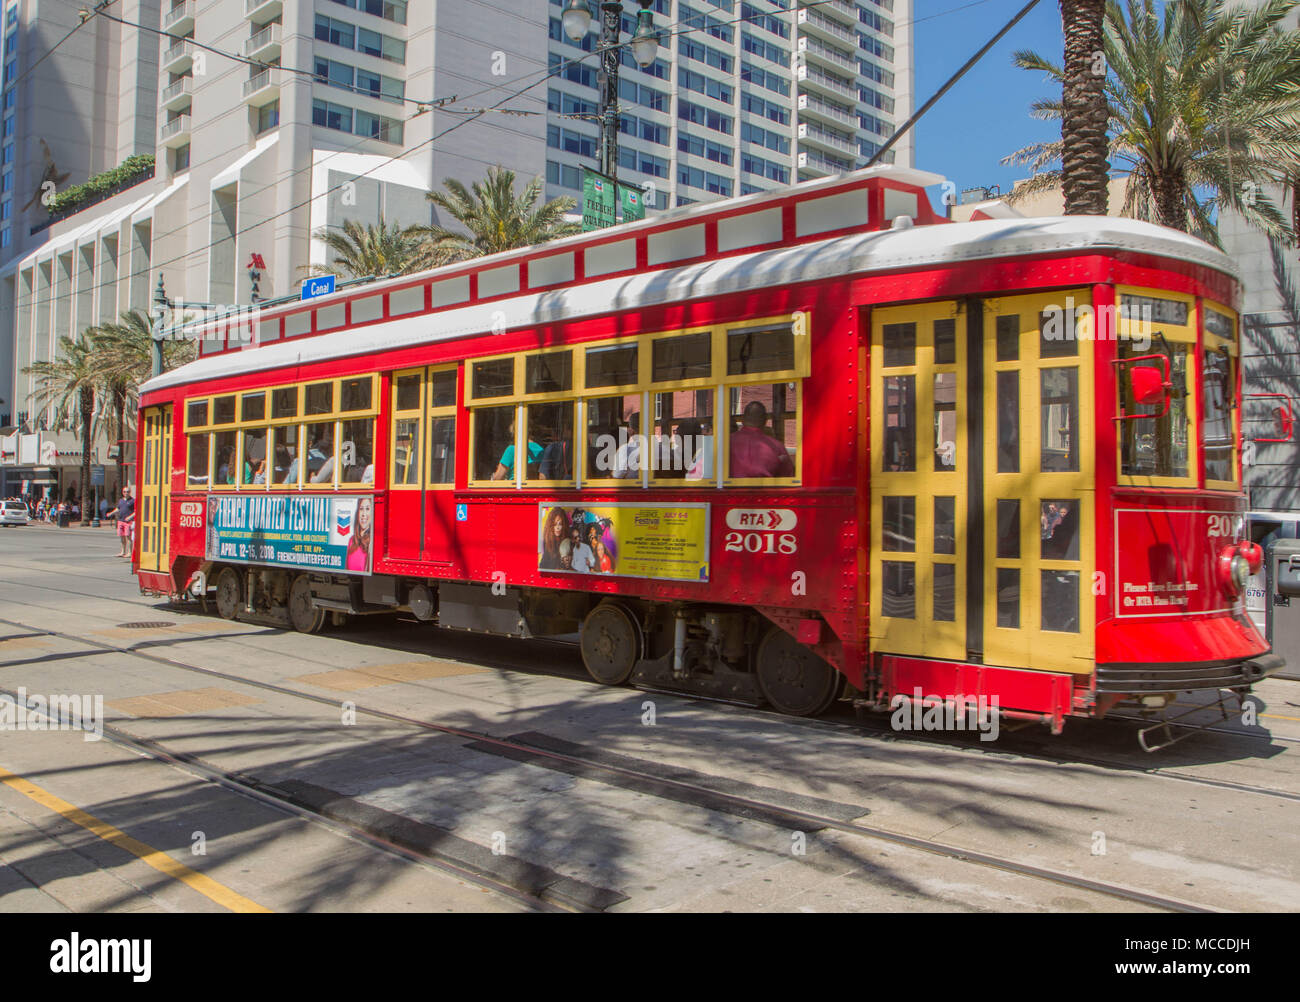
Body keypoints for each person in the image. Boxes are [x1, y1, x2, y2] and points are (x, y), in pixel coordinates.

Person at [729, 401, 795, 478]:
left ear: (743, 420)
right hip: (766, 489)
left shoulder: (727, 442)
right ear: (765, 421)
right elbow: (787, 477)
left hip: (729, 488)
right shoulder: (776, 446)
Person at [346, 497, 372, 573]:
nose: (364, 514)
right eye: (361, 509)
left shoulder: (372, 541)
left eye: (367, 509)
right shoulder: (351, 541)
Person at [613, 413, 642, 479]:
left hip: (633, 488)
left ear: (631, 430)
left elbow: (617, 476)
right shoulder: (664, 450)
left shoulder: (626, 450)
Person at [108, 486, 135, 558]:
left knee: (128, 537)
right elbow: (118, 509)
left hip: (128, 522)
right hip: (121, 520)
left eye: (128, 492)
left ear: (130, 492)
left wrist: (130, 517)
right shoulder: (121, 501)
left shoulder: (133, 501)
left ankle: (130, 552)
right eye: (124, 492)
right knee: (122, 537)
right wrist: (111, 513)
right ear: (122, 493)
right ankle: (123, 551)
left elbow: (136, 511)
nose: (126, 493)